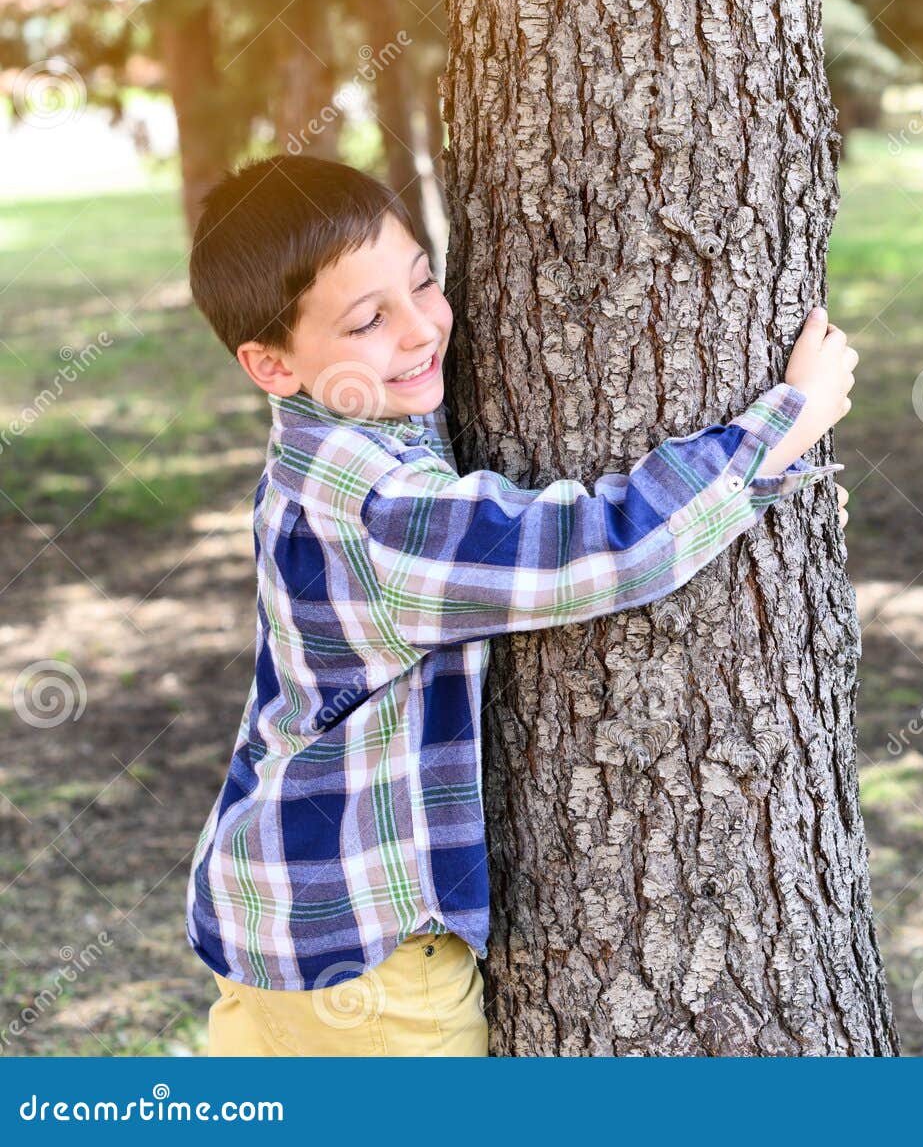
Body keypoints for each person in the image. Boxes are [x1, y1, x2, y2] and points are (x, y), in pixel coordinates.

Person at [180, 154, 856, 1055]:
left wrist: (777, 517)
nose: (422, 328)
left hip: (275, 921)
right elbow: (598, 549)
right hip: (364, 962)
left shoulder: (337, 442)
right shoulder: (378, 511)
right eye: (369, 319)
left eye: (423, 281)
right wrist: (781, 429)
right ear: (271, 363)